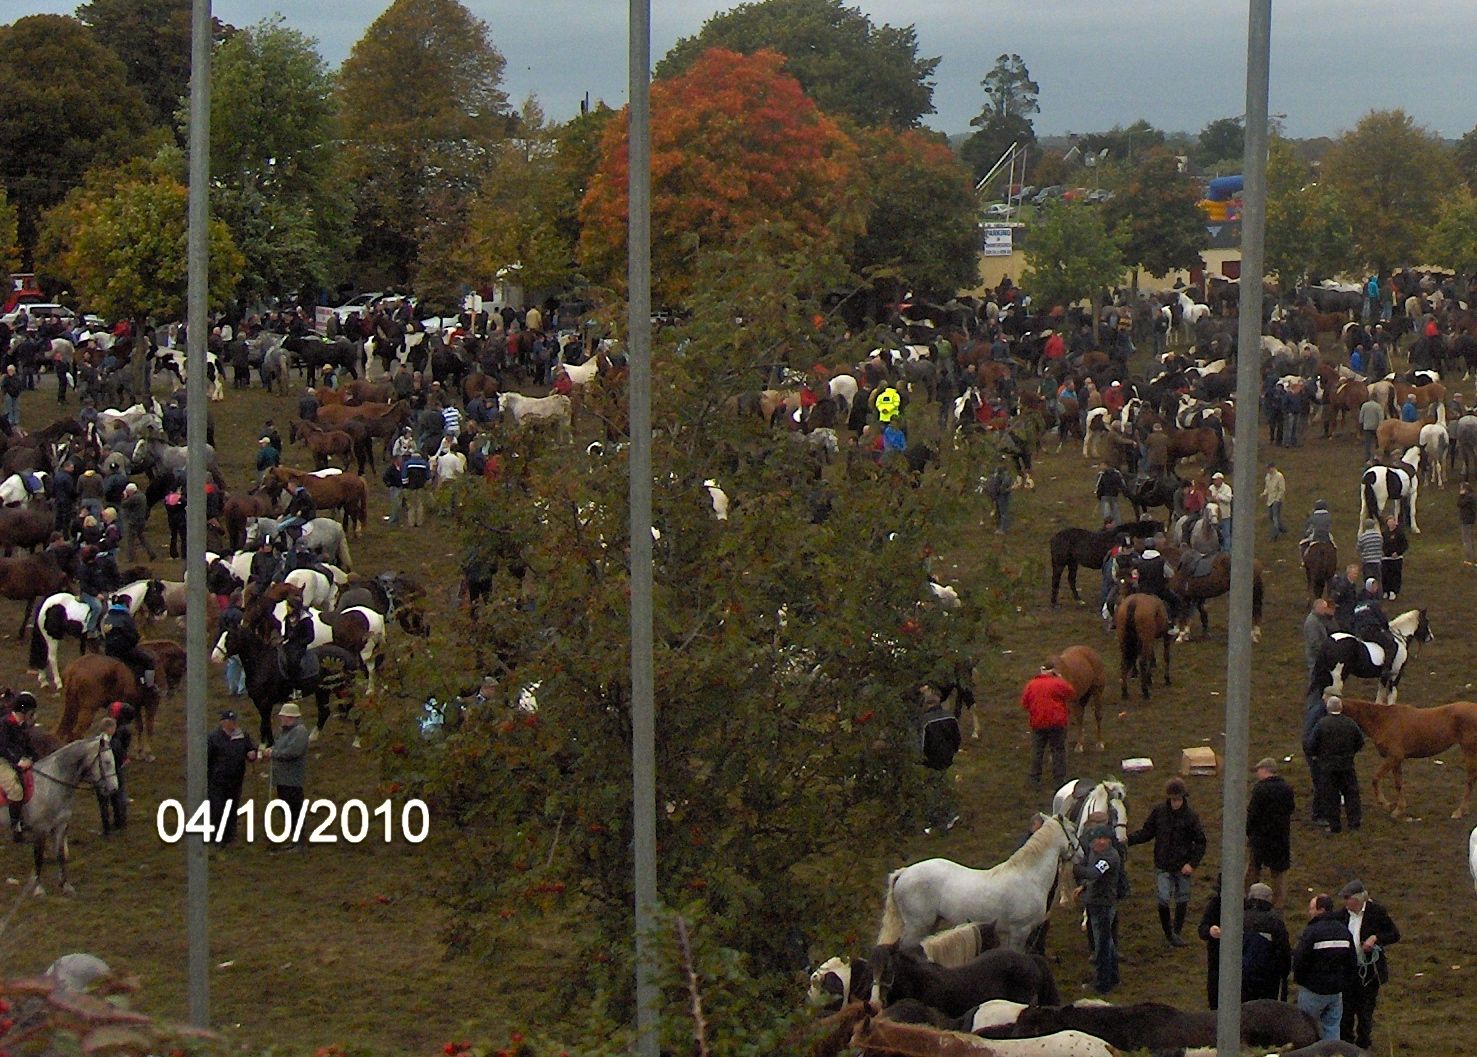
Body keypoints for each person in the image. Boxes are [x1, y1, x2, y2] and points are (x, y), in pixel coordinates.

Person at [1127, 776, 1207, 947]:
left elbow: (1201, 842)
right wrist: (1128, 840)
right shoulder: (1159, 812)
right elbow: (1147, 832)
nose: (1175, 803)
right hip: (1163, 864)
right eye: (1172, 799)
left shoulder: (1191, 816)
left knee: (1182, 898)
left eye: (1178, 799)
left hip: (1182, 865)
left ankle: (1176, 932)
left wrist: (1192, 864)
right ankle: (1169, 933)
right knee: (1163, 898)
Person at [1335, 879, 1400, 1049]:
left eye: (1347, 898)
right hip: (1348, 971)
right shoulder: (1342, 915)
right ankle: (1346, 1044)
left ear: (1357, 899)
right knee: (1346, 1010)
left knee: (1365, 1011)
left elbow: (1394, 934)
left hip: (1370, 973)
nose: (1345, 902)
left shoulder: (1376, 912)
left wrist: (1375, 938)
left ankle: (1363, 1044)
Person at [1293, 893, 1357, 1042]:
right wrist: (1343, 983)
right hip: (1335, 992)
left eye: (1311, 909)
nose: (1309, 913)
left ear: (1320, 910)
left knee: (1306, 1029)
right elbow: (1352, 962)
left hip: (1313, 990)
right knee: (1332, 1029)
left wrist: (1301, 980)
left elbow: (1301, 959)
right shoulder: (1343, 931)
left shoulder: (1312, 931)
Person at [1073, 825, 1122, 995]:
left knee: (1101, 948)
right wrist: (1084, 887)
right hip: (1094, 903)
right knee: (1108, 944)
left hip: (1103, 906)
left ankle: (1103, 984)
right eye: (1096, 839)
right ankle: (1114, 977)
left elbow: (1094, 873)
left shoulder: (1110, 857)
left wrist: (1074, 868)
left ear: (1109, 840)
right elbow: (1093, 879)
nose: (1099, 842)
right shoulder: (1096, 853)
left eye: (1103, 839)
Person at [1309, 695, 1364, 833]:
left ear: (1328, 708)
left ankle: (1334, 825)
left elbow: (1312, 744)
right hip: (1347, 764)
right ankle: (1354, 823)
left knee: (1331, 796)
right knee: (1351, 794)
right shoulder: (1350, 723)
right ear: (1341, 708)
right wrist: (1350, 753)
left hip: (1328, 766)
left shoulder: (1321, 724)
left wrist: (1319, 756)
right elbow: (1360, 742)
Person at [1246, 758, 1295, 908]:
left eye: (1259, 770)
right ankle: (1278, 904)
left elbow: (1253, 813)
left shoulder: (1260, 789)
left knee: (1253, 869)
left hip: (1260, 838)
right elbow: (1291, 809)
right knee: (1279, 873)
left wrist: (1249, 832)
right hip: (1280, 838)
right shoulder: (1286, 788)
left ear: (1265, 770)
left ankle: (1247, 898)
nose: (1257, 774)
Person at [1019, 660, 1074, 787]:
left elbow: (1024, 703)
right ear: (1053, 671)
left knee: (1037, 750)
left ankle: (1034, 778)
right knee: (1058, 750)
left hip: (1037, 723)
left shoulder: (1031, 684)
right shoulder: (1059, 683)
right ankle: (1059, 780)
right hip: (1057, 723)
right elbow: (1071, 693)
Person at [206, 709, 256, 845]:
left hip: (236, 780)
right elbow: (207, 758)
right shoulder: (213, 737)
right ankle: (216, 837)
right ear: (223, 722)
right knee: (217, 809)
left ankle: (230, 836)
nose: (232, 724)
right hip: (217, 781)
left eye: (234, 721)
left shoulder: (242, 736)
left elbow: (251, 749)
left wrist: (252, 753)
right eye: (229, 721)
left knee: (232, 809)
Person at [263, 702, 309, 849]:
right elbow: (280, 747)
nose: (281, 719)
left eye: (283, 717)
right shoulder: (284, 732)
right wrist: (272, 749)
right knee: (286, 810)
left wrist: (273, 753)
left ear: (291, 717)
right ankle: (293, 839)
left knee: (294, 810)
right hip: (281, 779)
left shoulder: (300, 732)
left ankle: (300, 841)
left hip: (292, 780)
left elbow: (293, 752)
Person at [918, 684, 961, 835]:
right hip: (948, 758)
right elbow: (957, 738)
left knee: (932, 792)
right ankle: (951, 815)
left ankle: (933, 821)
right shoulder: (950, 716)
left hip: (931, 762)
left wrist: (920, 760)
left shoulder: (924, 721)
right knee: (947, 787)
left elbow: (921, 744)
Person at [1242, 881, 1292, 1001]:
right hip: (1268, 979)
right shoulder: (1275, 921)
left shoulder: (1239, 917)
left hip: (1240, 977)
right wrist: (1284, 974)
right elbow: (1283, 951)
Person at [0, 695, 36, 840]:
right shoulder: (4, 724)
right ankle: (16, 827)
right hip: (2, 760)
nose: (33, 715)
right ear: (24, 711)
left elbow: (27, 745)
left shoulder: (22, 724)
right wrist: (18, 761)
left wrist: (34, 757)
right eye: (31, 712)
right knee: (15, 790)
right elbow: (3, 747)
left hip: (15, 759)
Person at [101, 601, 156, 691]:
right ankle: (149, 687)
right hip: (124, 650)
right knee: (148, 661)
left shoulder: (108, 617)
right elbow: (133, 636)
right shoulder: (126, 617)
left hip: (109, 651)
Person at [96, 700, 133, 836]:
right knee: (118, 795)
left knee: (112, 798)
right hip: (115, 769)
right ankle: (119, 821)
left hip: (110, 770)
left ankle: (114, 823)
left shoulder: (113, 739)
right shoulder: (121, 733)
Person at [1198, 874, 1225, 1008]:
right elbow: (1202, 929)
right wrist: (1210, 931)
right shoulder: (1215, 904)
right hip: (1216, 959)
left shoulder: (1244, 904)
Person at [119, 483, 153, 562]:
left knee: (130, 540)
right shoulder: (142, 495)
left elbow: (123, 504)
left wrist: (124, 497)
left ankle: (130, 557)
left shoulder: (134, 498)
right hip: (141, 520)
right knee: (142, 538)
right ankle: (151, 553)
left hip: (134, 521)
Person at [1303, 598, 1335, 680]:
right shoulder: (1312, 622)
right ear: (1318, 608)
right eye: (1323, 608)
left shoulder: (1319, 619)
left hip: (1320, 656)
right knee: (1315, 678)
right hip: (1315, 657)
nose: (1325, 610)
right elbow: (1314, 643)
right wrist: (1325, 652)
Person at [1380, 514, 1407, 599]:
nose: (1391, 523)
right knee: (1385, 575)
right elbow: (1382, 544)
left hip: (1396, 559)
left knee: (1395, 575)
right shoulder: (1384, 533)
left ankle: (1393, 591)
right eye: (1389, 522)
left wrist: (1398, 553)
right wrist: (1384, 552)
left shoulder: (1400, 533)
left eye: (1392, 521)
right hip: (1386, 558)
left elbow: (1404, 545)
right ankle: (1385, 591)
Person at [984, 459, 1014, 533]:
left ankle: (1004, 528)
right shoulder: (996, 473)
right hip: (997, 494)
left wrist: (1001, 488)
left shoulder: (1003, 474)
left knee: (1003, 511)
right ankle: (1000, 527)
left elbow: (1006, 483)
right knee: (999, 512)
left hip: (1002, 494)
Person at [1207, 472, 1233, 552]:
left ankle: (1227, 551)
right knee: (1215, 535)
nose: (1214, 482)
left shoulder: (1227, 488)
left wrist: (1219, 497)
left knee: (1226, 534)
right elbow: (1208, 497)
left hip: (1225, 515)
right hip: (1214, 517)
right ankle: (1216, 550)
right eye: (1213, 480)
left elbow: (1228, 499)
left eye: (1216, 480)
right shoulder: (1211, 488)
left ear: (1221, 480)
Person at [1354, 519, 1384, 589]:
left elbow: (1358, 548)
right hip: (1377, 561)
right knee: (1377, 580)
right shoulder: (1379, 536)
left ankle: (1369, 596)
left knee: (1368, 580)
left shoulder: (1363, 537)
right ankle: (1378, 595)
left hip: (1367, 562)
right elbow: (1382, 545)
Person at [1261, 462, 1286, 541]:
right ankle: (1282, 529)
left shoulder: (1279, 476)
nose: (1268, 470)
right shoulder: (1267, 477)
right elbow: (1267, 487)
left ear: (1273, 467)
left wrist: (1278, 499)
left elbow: (1282, 489)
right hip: (1270, 500)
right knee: (1271, 517)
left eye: (1269, 468)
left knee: (1275, 517)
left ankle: (1274, 535)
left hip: (1277, 500)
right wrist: (1264, 493)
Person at [1358, 397, 1384, 463]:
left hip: (1367, 427)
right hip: (1376, 427)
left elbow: (1361, 417)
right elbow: (1381, 417)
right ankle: (1376, 457)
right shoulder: (1378, 406)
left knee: (1367, 444)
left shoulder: (1364, 405)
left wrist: (1362, 423)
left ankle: (1367, 459)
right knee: (1377, 443)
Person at [1459, 482, 1477, 566]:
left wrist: (1461, 495)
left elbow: (1460, 504)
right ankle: (1471, 558)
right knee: (1469, 540)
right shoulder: (1472, 496)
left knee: (1467, 540)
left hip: (1466, 521)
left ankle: (1470, 559)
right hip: (1469, 520)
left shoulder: (1468, 498)